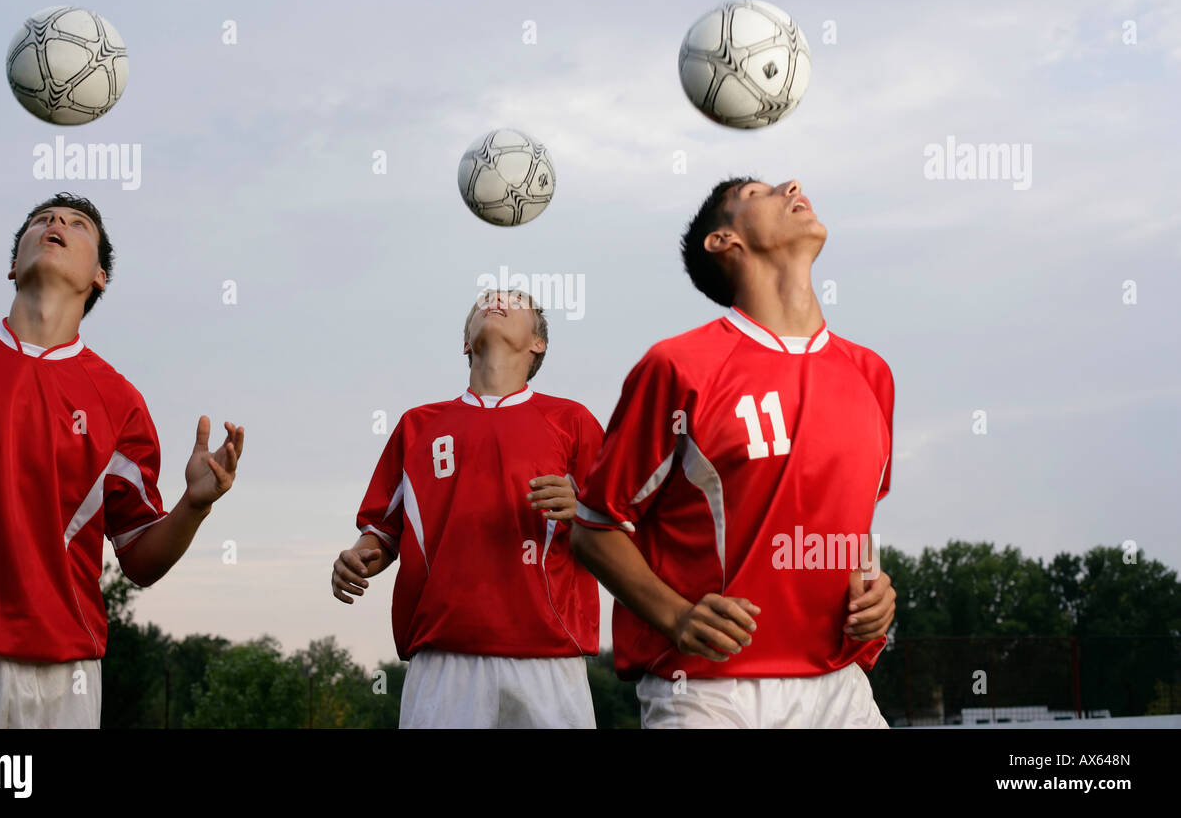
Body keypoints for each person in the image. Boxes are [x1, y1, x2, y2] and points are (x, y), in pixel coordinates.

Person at [0, 193, 244, 728]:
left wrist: (193, 505)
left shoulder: (119, 403)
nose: (56, 224)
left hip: (62, 677)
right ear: (13, 264)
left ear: (99, 276)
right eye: (42, 220)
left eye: (77, 225)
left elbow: (139, 561)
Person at [571, 176, 898, 728]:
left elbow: (852, 521)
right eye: (757, 192)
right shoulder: (678, 367)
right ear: (723, 242)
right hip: (710, 691)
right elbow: (594, 527)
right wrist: (675, 617)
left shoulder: (871, 374)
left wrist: (876, 589)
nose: (791, 184)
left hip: (841, 687)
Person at [332, 288, 602, 728]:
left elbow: (621, 525)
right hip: (443, 660)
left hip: (550, 656)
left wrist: (584, 509)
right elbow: (382, 533)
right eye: (485, 300)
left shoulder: (573, 422)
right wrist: (357, 558)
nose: (495, 299)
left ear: (538, 343)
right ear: (465, 342)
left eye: (515, 299)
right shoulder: (418, 425)